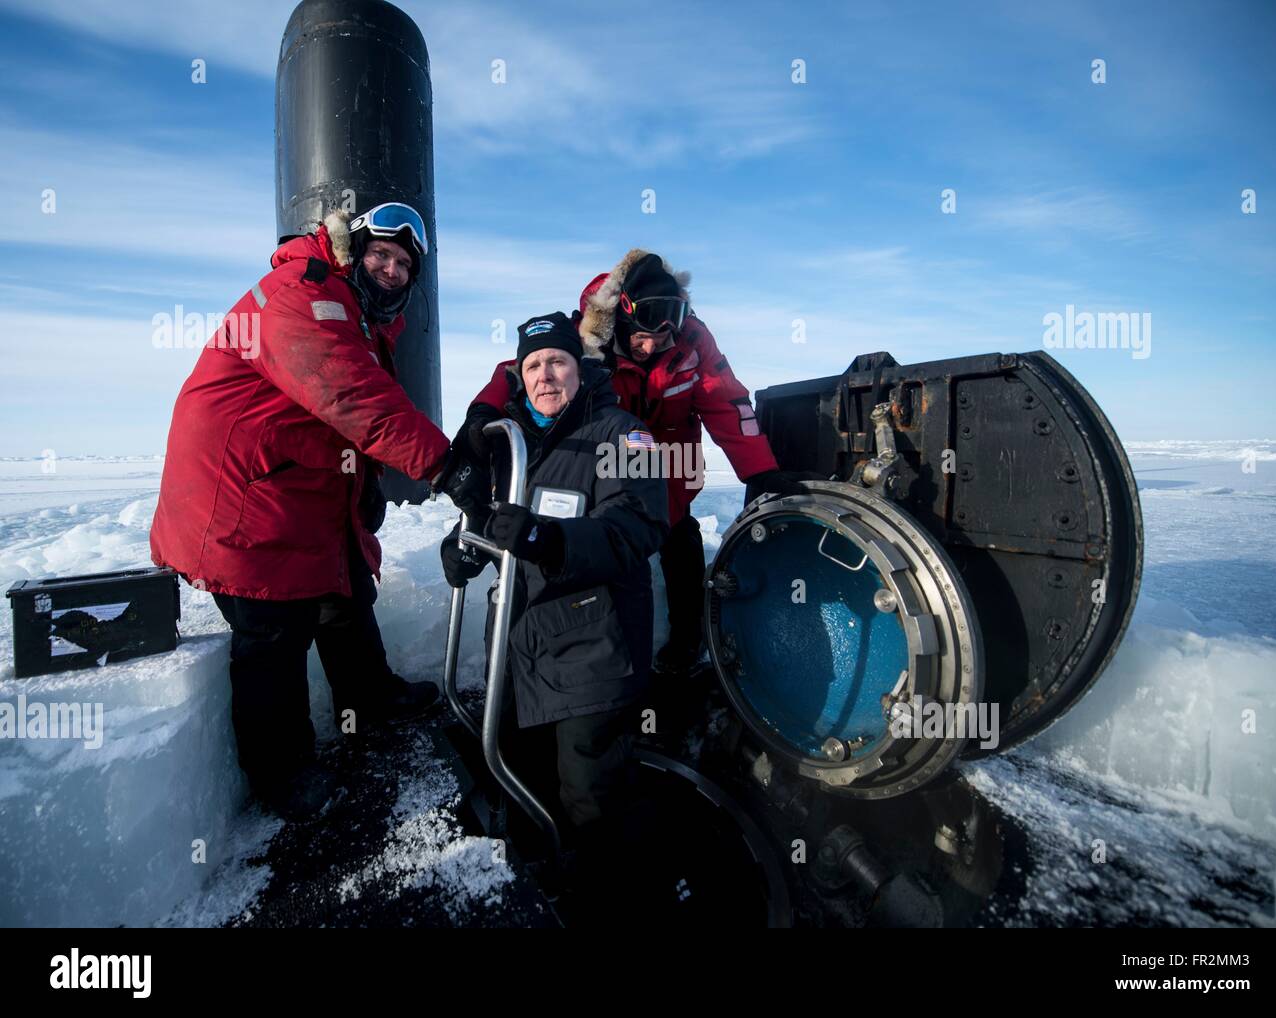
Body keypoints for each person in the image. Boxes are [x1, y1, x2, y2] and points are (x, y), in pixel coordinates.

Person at [150, 201, 451, 820]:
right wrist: (449, 467)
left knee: (343, 590)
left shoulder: (356, 311)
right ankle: (280, 773)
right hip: (243, 495)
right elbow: (348, 393)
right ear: (352, 248)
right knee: (272, 631)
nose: (392, 270)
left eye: (403, 264)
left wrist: (363, 477)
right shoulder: (304, 290)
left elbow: (337, 408)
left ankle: (368, 697)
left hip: (297, 481)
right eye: (382, 254)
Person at [460, 249, 818, 682]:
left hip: (671, 466)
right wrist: (483, 412)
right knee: (612, 540)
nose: (652, 346)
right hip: (609, 461)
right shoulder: (588, 337)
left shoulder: (691, 339)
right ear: (624, 317)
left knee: (678, 538)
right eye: (644, 335)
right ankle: (601, 656)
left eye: (665, 336)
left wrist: (759, 471)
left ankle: (687, 639)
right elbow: (521, 369)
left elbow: (726, 399)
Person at [439, 312, 669, 833]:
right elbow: (488, 520)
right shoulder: (508, 444)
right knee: (521, 776)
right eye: (534, 364)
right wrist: (463, 547)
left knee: (591, 797)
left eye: (558, 361)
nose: (545, 374)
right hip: (517, 644)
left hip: (594, 650)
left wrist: (549, 539)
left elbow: (637, 524)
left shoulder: (626, 435)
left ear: (580, 370)